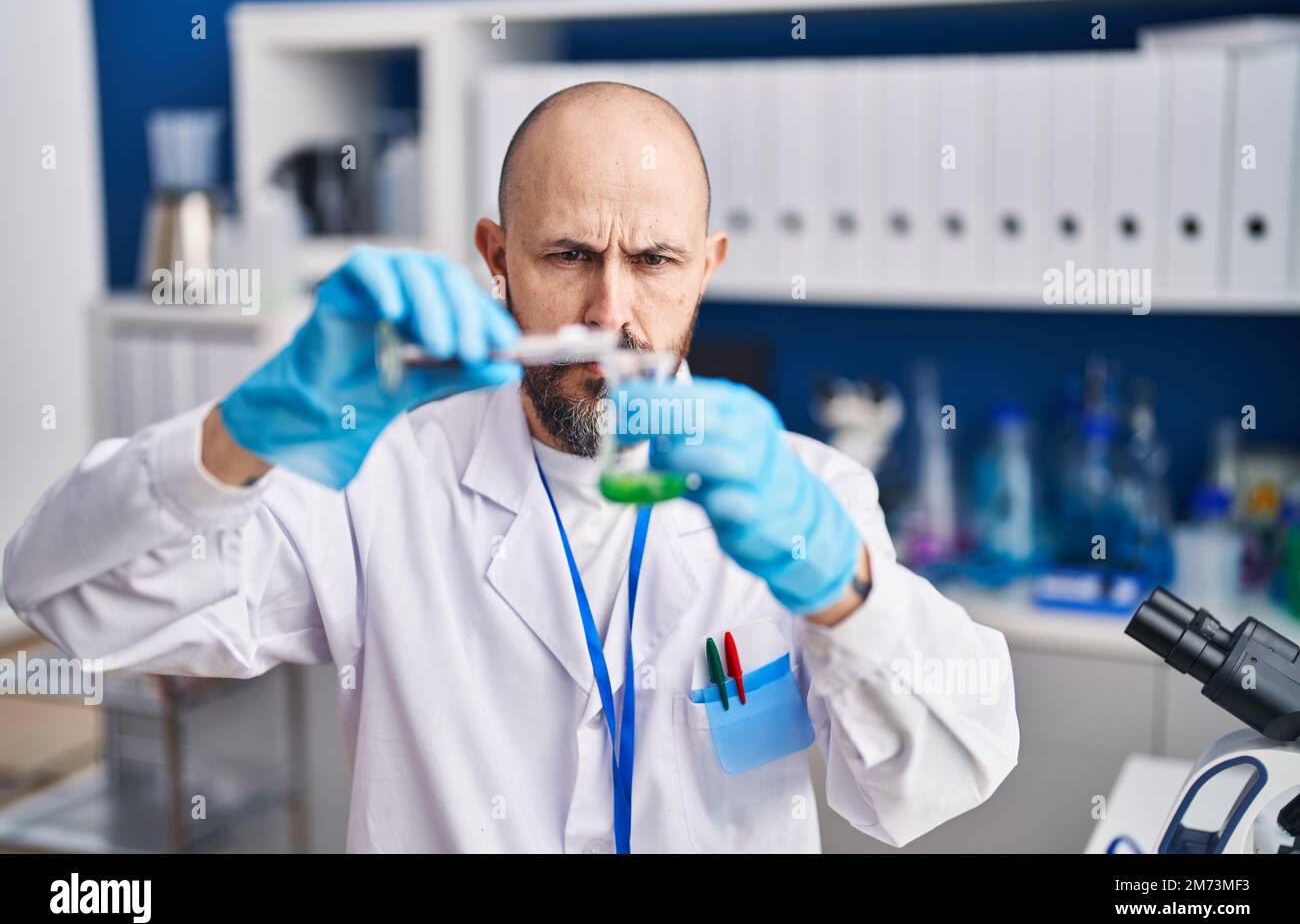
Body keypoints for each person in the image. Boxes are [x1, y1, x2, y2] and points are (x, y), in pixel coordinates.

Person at [4, 83, 1018, 853]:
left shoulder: (809, 497)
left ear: (706, 265)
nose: (608, 311)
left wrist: (840, 586)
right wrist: (253, 423)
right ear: (496, 254)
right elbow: (60, 592)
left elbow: (936, 779)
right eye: (568, 253)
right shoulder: (379, 483)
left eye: (654, 261)